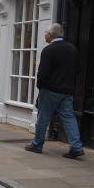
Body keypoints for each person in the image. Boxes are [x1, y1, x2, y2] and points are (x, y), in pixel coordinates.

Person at [25, 23, 84, 159]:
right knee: (69, 118)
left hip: (50, 90)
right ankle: (76, 147)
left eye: (46, 33)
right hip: (67, 91)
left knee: (43, 118)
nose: (45, 35)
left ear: (51, 35)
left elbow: (43, 73)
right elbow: (78, 69)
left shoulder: (49, 50)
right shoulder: (72, 49)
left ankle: (37, 145)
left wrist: (40, 86)